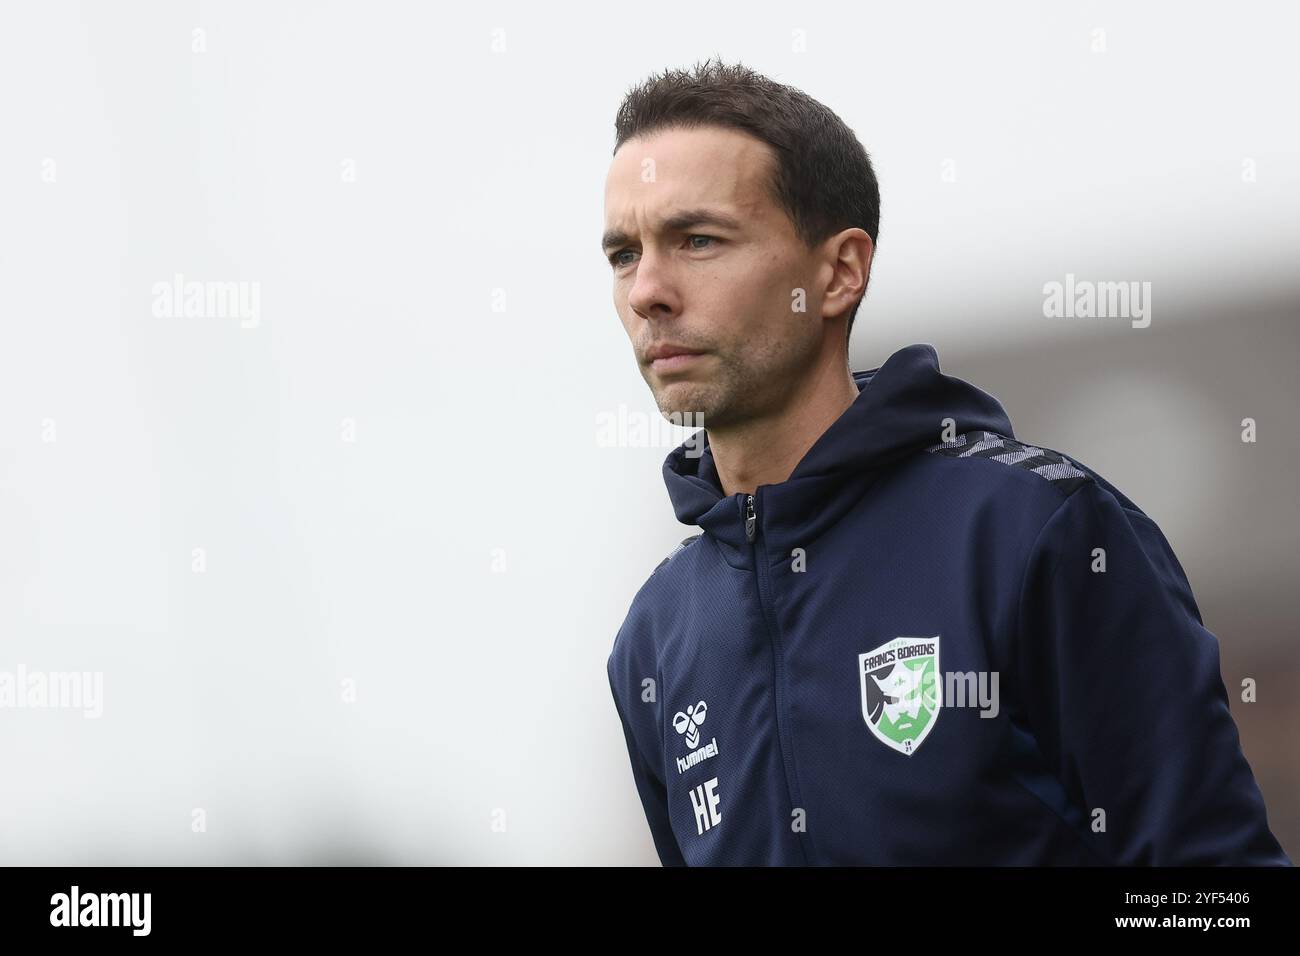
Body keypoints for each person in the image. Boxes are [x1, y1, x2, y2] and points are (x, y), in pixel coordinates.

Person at [601, 59, 1290, 866]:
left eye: (699, 240)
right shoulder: (655, 636)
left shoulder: (1032, 531)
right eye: (623, 253)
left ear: (840, 272)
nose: (648, 289)